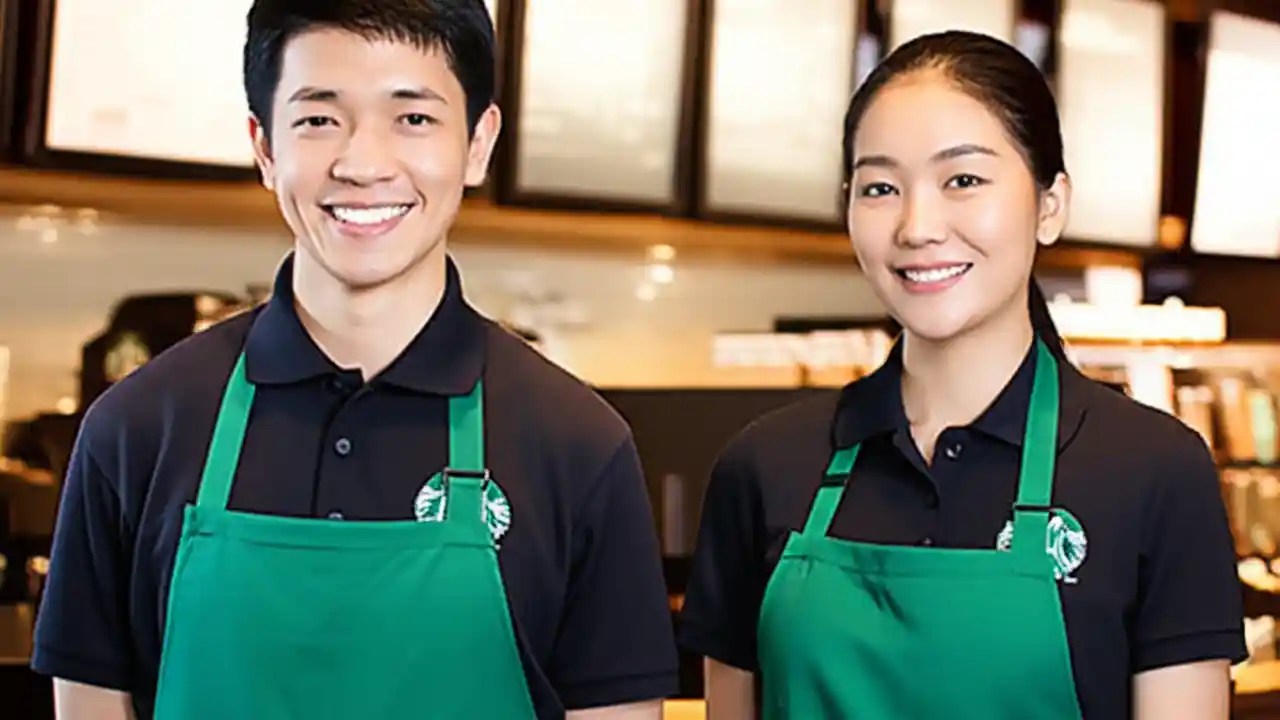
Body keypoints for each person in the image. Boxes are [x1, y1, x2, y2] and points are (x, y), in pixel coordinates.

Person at [31, 2, 678, 718]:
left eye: (413, 118)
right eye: (318, 119)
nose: (363, 164)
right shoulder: (135, 430)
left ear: (479, 143)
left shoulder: (579, 445)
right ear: (264, 147)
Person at [678, 30, 1247, 720]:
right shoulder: (762, 467)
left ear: (1050, 204)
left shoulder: (1155, 471)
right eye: (881, 187)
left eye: (964, 180)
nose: (917, 226)